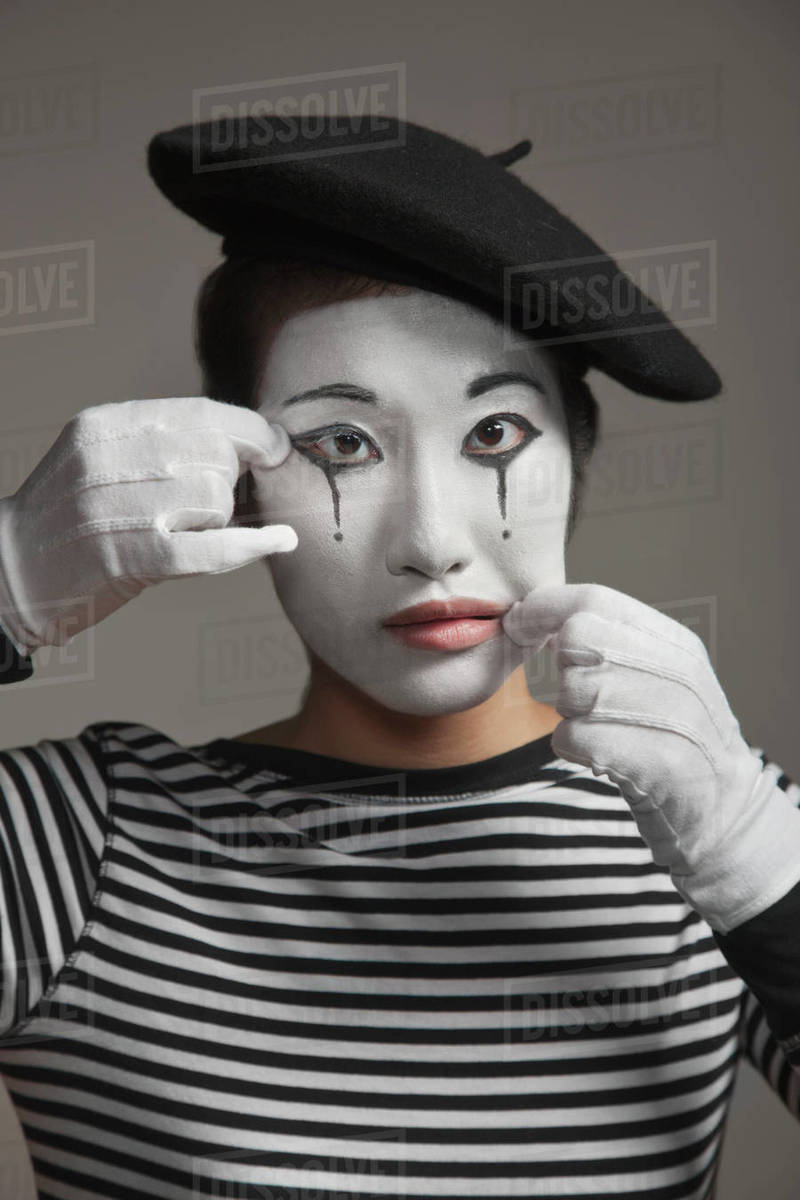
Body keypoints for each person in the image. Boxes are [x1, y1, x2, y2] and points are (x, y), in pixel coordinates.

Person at [0, 114, 797, 1200]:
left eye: (494, 435)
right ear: (238, 479)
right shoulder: (75, 842)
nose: (429, 540)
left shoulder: (725, 831)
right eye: (342, 444)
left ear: (578, 453)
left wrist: (754, 860)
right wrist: (4, 586)